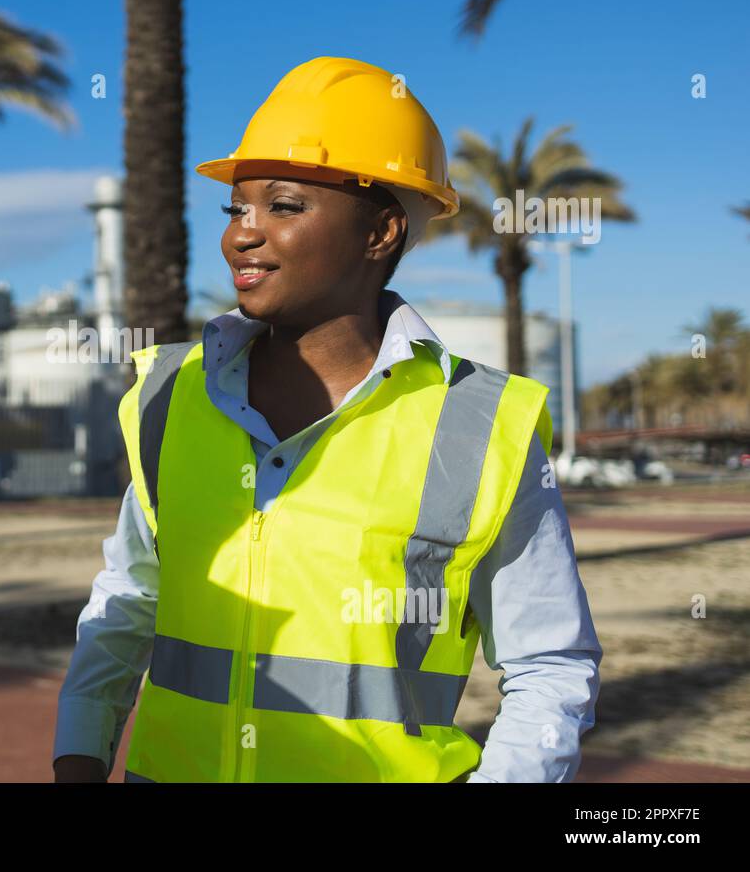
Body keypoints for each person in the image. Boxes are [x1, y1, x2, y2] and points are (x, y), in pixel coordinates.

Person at [52, 57, 602, 782]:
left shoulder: (482, 425)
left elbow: (549, 665)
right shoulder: (168, 398)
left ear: (380, 232)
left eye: (282, 206)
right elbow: (129, 599)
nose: (241, 235)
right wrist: (80, 754)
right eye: (236, 208)